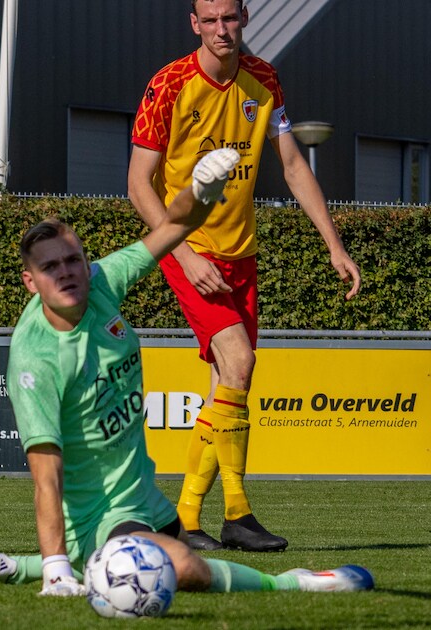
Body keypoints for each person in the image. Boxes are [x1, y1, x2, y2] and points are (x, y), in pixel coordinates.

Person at [0, 148, 373, 596]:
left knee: (193, 562)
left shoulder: (102, 280)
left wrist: (200, 192)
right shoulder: (35, 360)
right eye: (49, 267)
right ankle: (292, 584)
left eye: (72, 261)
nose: (65, 273)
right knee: (186, 570)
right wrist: (55, 569)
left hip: (141, 492)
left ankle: (16, 566)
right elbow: (47, 479)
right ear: (30, 282)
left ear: (87, 263)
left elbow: (176, 225)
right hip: (96, 516)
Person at [126, 0, 361, 552]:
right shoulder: (169, 85)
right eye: (209, 20)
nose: (220, 29)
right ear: (194, 24)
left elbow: (294, 165)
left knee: (228, 384)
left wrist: (334, 245)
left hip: (241, 252)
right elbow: (139, 184)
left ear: (245, 18)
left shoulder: (265, 80)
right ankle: (237, 512)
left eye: (229, 18)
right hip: (188, 247)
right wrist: (183, 253)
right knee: (239, 361)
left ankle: (187, 519)